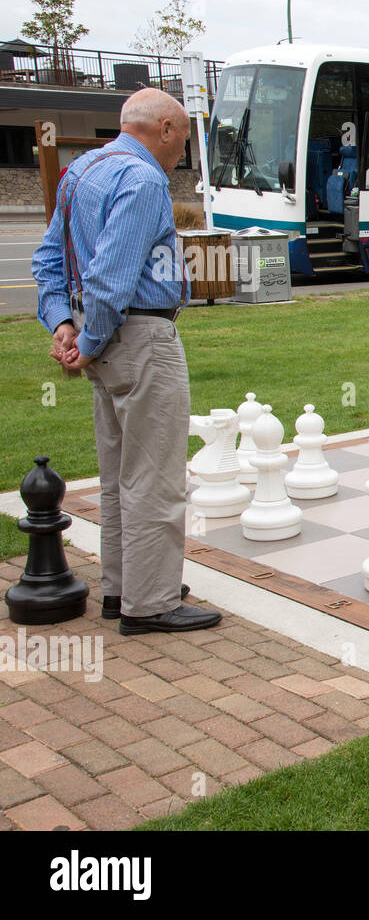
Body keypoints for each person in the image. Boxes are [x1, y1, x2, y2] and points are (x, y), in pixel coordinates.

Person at [31, 88, 220, 635]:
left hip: (106, 338)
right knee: (156, 477)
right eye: (184, 136)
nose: (183, 149)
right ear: (163, 128)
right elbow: (112, 274)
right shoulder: (142, 180)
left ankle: (122, 588)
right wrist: (87, 338)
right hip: (138, 337)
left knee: (118, 474)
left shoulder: (82, 171)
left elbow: (49, 261)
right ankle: (152, 602)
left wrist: (62, 324)